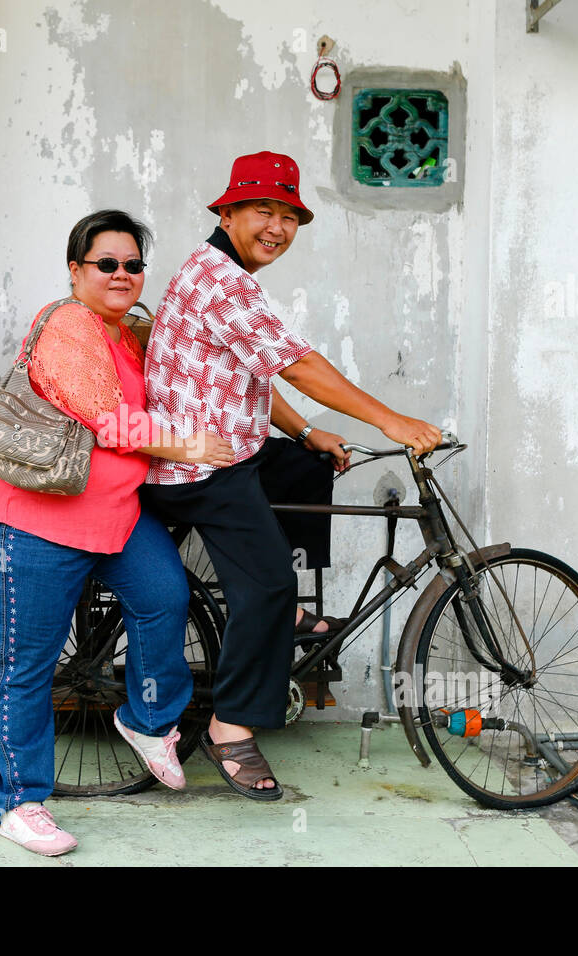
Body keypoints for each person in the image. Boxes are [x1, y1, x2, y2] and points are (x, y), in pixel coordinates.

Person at [142, 151, 443, 800]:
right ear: (227, 212)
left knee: (307, 465)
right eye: (263, 211)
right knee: (269, 582)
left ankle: (293, 611)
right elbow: (298, 366)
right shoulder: (223, 281)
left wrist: (307, 431)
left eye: (288, 215)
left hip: (230, 448)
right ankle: (231, 726)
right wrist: (390, 421)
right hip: (197, 465)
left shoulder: (223, 272)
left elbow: (255, 369)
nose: (277, 226)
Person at [0, 209, 234, 857]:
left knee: (164, 596)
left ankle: (146, 720)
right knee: (26, 668)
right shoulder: (68, 324)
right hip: (34, 521)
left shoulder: (129, 334)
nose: (122, 275)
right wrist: (189, 442)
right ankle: (19, 802)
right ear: (75, 270)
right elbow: (109, 421)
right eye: (106, 264)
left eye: (133, 265)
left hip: (114, 516)